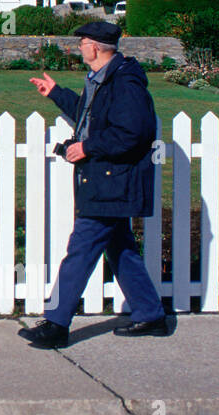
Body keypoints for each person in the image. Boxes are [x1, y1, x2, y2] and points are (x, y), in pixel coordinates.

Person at [21, 21, 170, 348]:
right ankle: (150, 314)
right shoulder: (103, 79)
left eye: (83, 42)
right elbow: (91, 118)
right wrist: (57, 93)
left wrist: (88, 148)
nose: (79, 48)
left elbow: (134, 132)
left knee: (80, 251)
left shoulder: (125, 83)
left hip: (111, 183)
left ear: (97, 47)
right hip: (106, 181)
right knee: (121, 250)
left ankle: (56, 323)